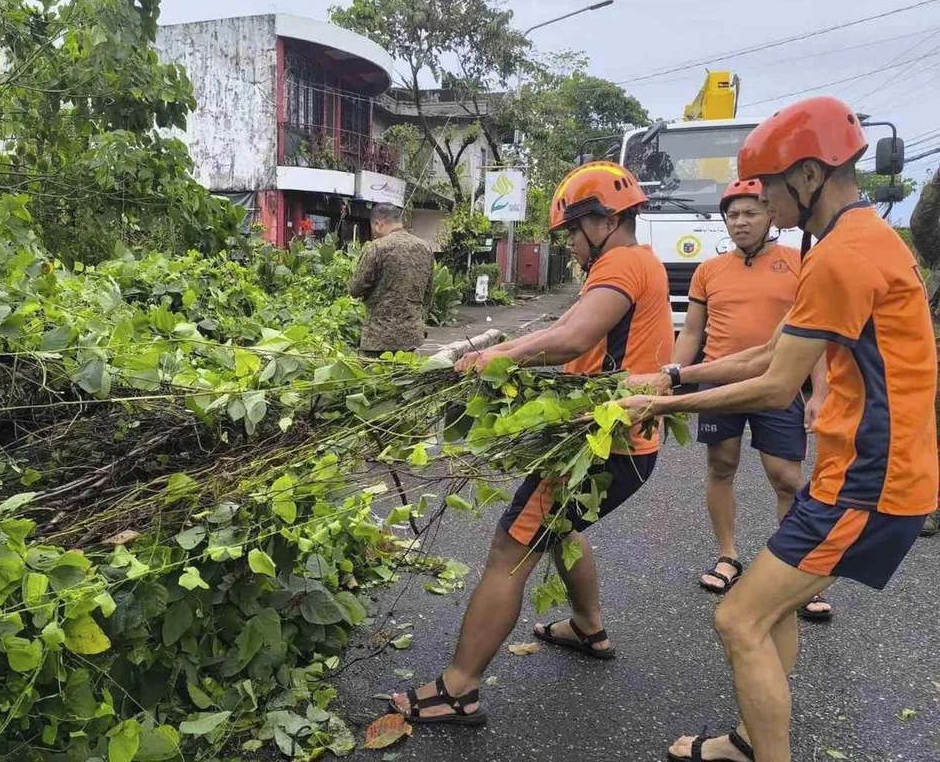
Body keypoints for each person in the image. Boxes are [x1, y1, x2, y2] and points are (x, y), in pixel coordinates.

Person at [619, 95, 938, 762]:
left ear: (808, 175)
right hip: (857, 471)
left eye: (765, 184)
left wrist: (659, 406)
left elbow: (775, 385)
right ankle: (747, 739)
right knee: (773, 606)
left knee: (737, 618)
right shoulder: (859, 240)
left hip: (869, 482)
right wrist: (675, 378)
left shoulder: (840, 254)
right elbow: (776, 351)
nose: (758, 199)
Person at [387, 161, 673, 726]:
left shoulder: (619, 265)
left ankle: (458, 689)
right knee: (562, 525)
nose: (569, 244)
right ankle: (589, 628)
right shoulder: (636, 263)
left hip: (601, 447)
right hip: (622, 443)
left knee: (508, 550)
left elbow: (573, 338)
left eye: (571, 231)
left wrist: (499, 357)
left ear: (601, 220)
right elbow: (568, 325)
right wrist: (510, 345)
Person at [668, 179, 834, 620]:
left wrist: (820, 391)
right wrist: (671, 377)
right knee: (721, 467)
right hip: (720, 384)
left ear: (769, 216)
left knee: (785, 477)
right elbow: (692, 332)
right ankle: (728, 556)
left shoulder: (798, 263)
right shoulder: (709, 270)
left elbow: (815, 334)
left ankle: (796, 571)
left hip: (779, 383)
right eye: (733, 214)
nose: (740, 222)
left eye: (750, 213)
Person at [348, 203, 434, 357]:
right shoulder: (425, 248)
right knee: (404, 379)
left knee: (372, 380)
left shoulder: (377, 248)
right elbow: (428, 293)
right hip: (411, 338)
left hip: (377, 339)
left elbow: (355, 289)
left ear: (378, 223)